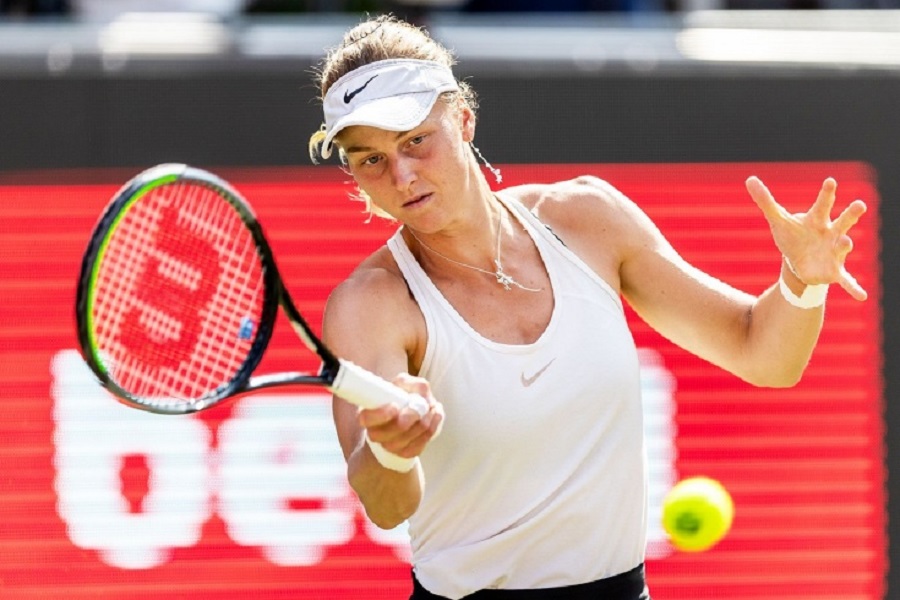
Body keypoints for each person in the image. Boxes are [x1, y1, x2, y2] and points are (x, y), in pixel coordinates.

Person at [307, 14, 868, 600]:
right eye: (369, 159)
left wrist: (802, 282)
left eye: (415, 141)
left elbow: (764, 355)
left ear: (464, 119)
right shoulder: (369, 304)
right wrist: (392, 450)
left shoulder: (586, 219)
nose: (401, 175)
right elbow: (386, 505)